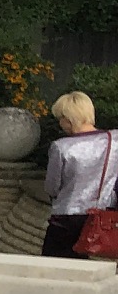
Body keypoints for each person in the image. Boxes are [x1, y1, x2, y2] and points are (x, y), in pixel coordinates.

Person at [42, 90, 117, 256]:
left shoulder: (61, 147)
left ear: (68, 119)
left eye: (60, 118)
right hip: (103, 215)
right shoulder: (115, 140)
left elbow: (52, 187)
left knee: (55, 264)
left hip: (67, 216)